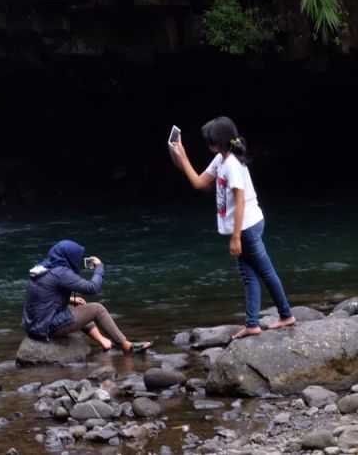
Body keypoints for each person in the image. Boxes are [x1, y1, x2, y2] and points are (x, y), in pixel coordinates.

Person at [169, 116, 295, 339]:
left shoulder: (233, 165)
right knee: (249, 275)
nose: (208, 145)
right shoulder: (221, 159)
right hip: (245, 227)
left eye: (210, 141)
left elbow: (240, 199)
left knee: (265, 271)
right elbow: (198, 183)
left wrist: (236, 237)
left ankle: (286, 314)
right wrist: (182, 155)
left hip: (247, 227)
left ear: (219, 142)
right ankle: (252, 324)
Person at [21, 240, 152, 354]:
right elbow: (92, 288)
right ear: (68, 256)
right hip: (47, 328)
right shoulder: (61, 273)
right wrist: (99, 268)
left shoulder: (43, 268)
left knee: (80, 307)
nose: (77, 260)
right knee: (97, 309)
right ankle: (126, 346)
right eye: (76, 257)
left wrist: (70, 299)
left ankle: (104, 342)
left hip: (33, 325)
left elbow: (42, 297)